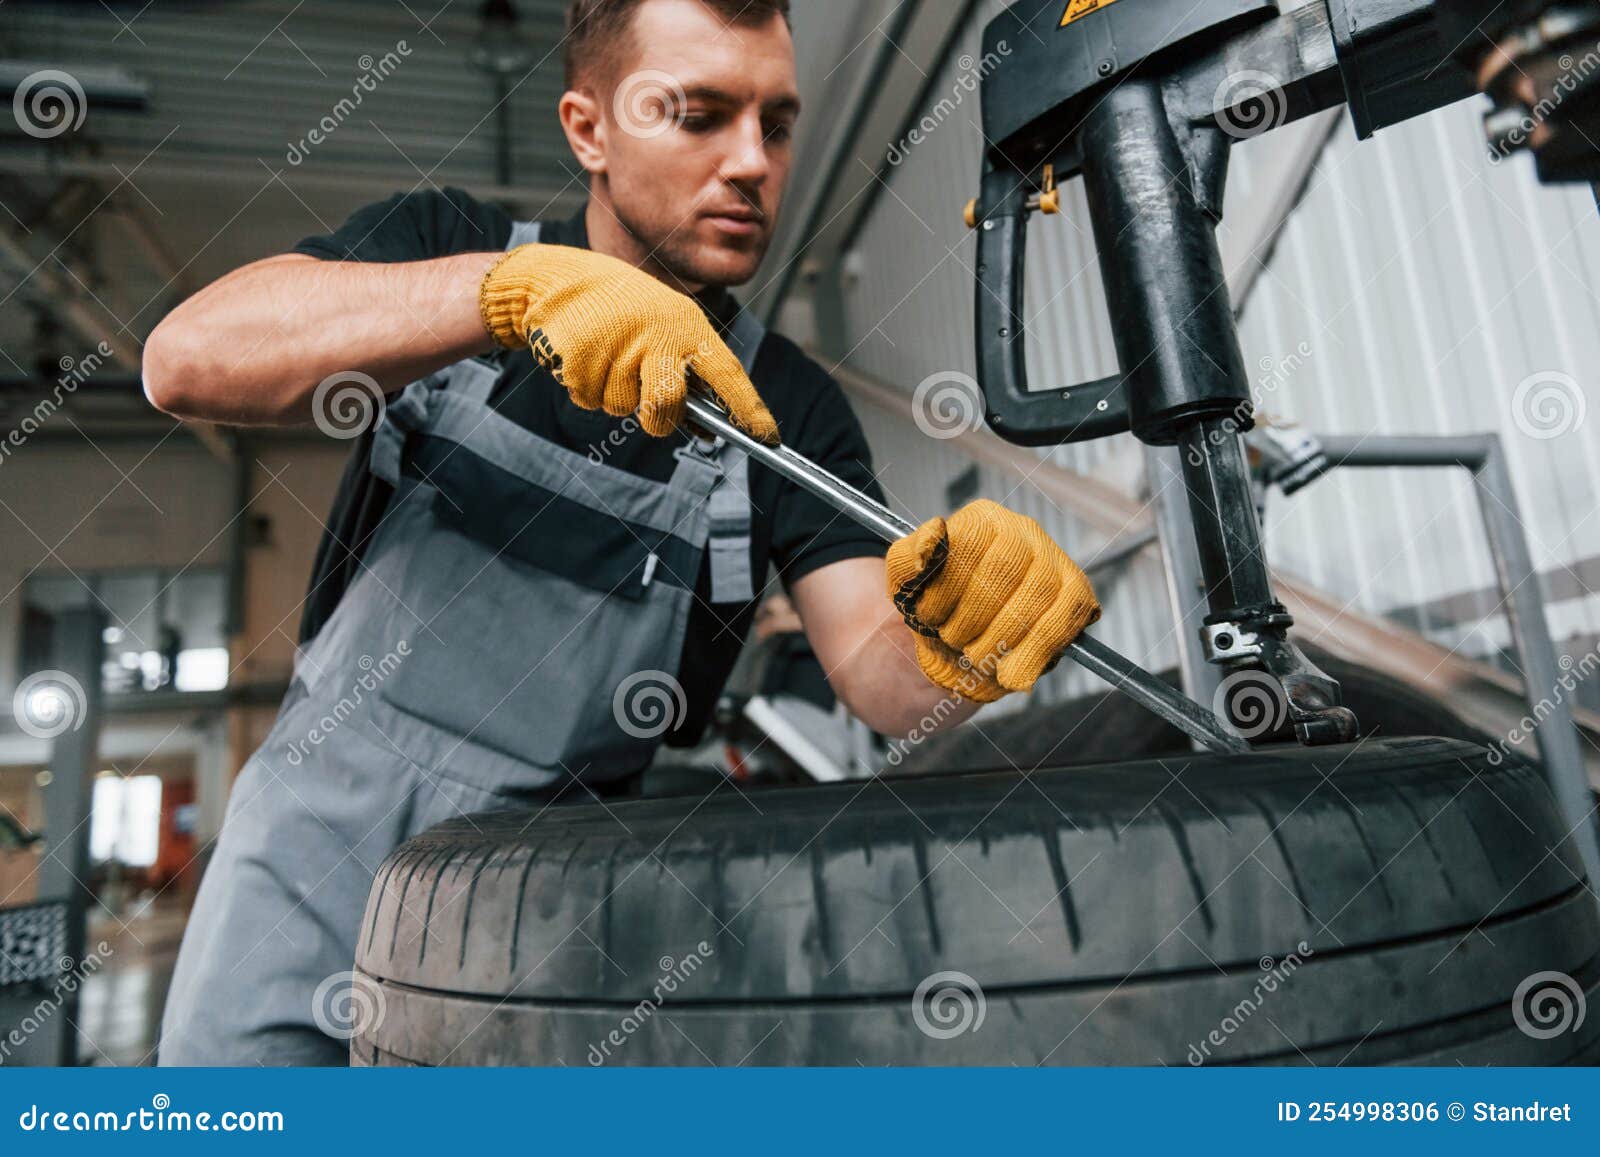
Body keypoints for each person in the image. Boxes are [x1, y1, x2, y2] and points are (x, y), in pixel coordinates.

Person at [143, 0, 1100, 1065]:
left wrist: (959, 640)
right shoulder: (448, 251)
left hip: (551, 896)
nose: (751, 163)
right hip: (315, 846)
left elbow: (877, 666)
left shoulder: (779, 401)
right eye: (698, 114)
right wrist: (511, 295)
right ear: (587, 129)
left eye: (776, 125)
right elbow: (186, 358)